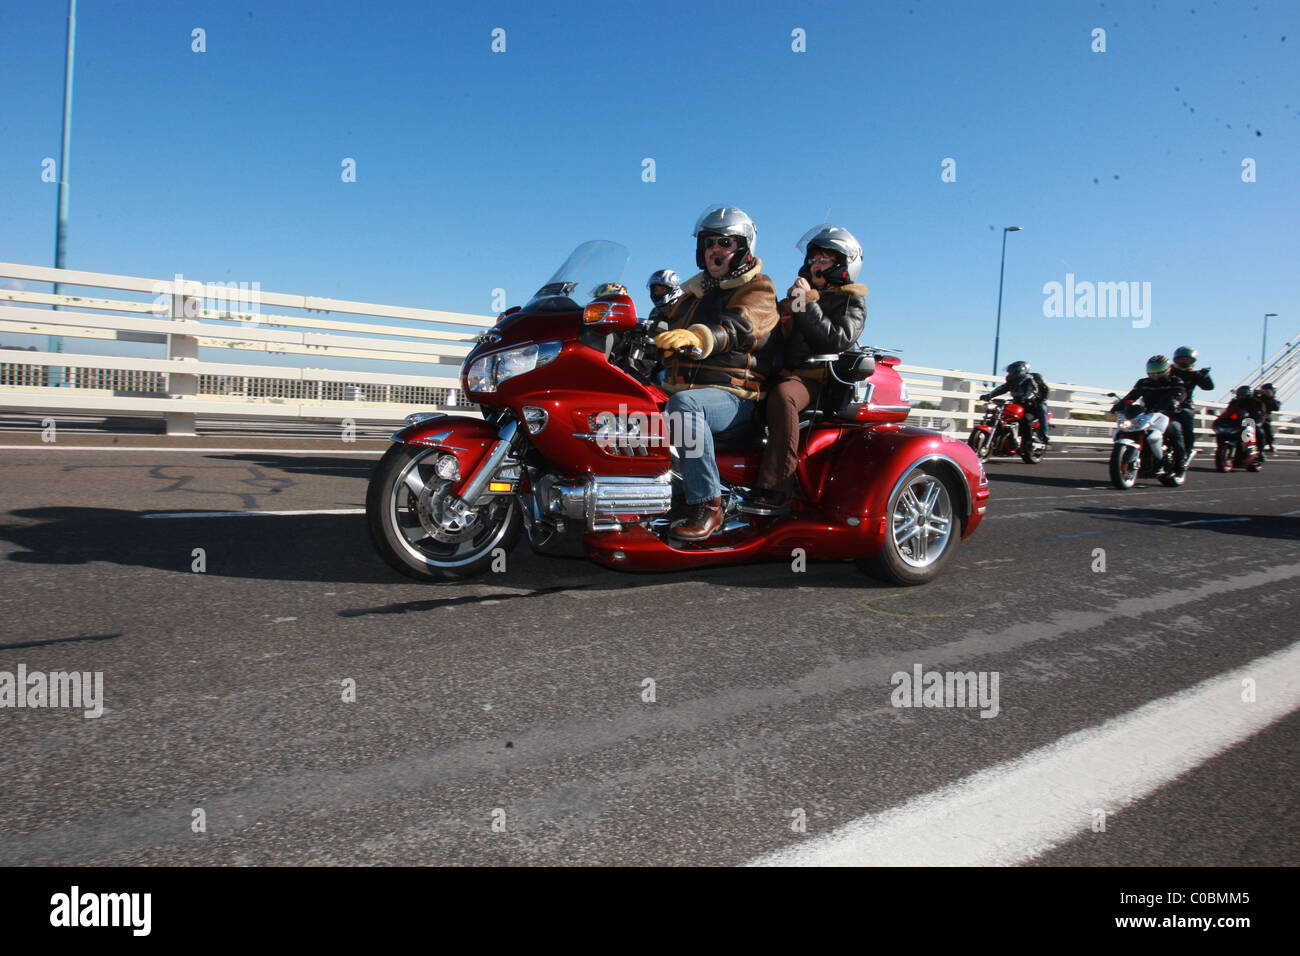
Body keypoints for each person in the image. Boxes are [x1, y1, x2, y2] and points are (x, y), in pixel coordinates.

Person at [653, 205, 780, 540]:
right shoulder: (693, 297)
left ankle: (707, 506)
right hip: (682, 386)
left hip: (734, 396)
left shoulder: (759, 290)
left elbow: (741, 325)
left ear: (742, 248)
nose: (715, 250)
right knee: (625, 401)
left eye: (725, 243)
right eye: (709, 243)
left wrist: (701, 336)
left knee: (684, 407)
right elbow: (663, 322)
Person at [750, 224, 867, 509]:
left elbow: (835, 340)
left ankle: (777, 486)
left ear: (842, 265)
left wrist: (804, 303)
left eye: (823, 260)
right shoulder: (798, 298)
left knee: (783, 396)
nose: (815, 265)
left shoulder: (851, 300)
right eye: (813, 259)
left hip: (819, 380)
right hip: (785, 374)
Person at [1112, 355, 1189, 473]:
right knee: (1129, 428)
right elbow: (1132, 395)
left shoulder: (1175, 381)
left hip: (1168, 413)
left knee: (1175, 429)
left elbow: (1180, 393)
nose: (1154, 371)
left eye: (1158, 367)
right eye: (1152, 367)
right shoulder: (1143, 382)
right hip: (1148, 413)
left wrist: (1175, 401)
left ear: (1167, 368)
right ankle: (1143, 459)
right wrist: (1120, 405)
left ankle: (1180, 463)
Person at [980, 361, 1051, 447]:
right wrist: (989, 395)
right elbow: (1002, 389)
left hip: (1031, 406)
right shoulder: (1012, 382)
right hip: (1019, 404)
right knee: (1003, 415)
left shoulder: (1029, 380)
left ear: (1018, 371)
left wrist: (1027, 397)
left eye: (1011, 372)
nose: (1009, 374)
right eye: (1009, 372)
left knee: (1026, 419)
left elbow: (1032, 391)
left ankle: (1033, 440)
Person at [1170, 346, 1214, 456]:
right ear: (1176, 359)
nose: (1184, 361)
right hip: (1164, 404)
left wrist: (1206, 376)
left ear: (1192, 360)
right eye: (1181, 359)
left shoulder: (1194, 374)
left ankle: (1187, 452)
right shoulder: (1168, 371)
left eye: (1187, 359)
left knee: (1187, 420)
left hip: (1184, 405)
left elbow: (1208, 387)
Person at [1255, 382, 1280, 453]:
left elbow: (1276, 407)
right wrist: (1254, 393)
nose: (1265, 392)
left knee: (1267, 427)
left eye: (1268, 391)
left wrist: (1270, 397)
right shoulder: (1257, 398)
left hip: (1264, 418)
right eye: (1265, 390)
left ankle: (1270, 444)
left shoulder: (1273, 401)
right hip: (1253, 417)